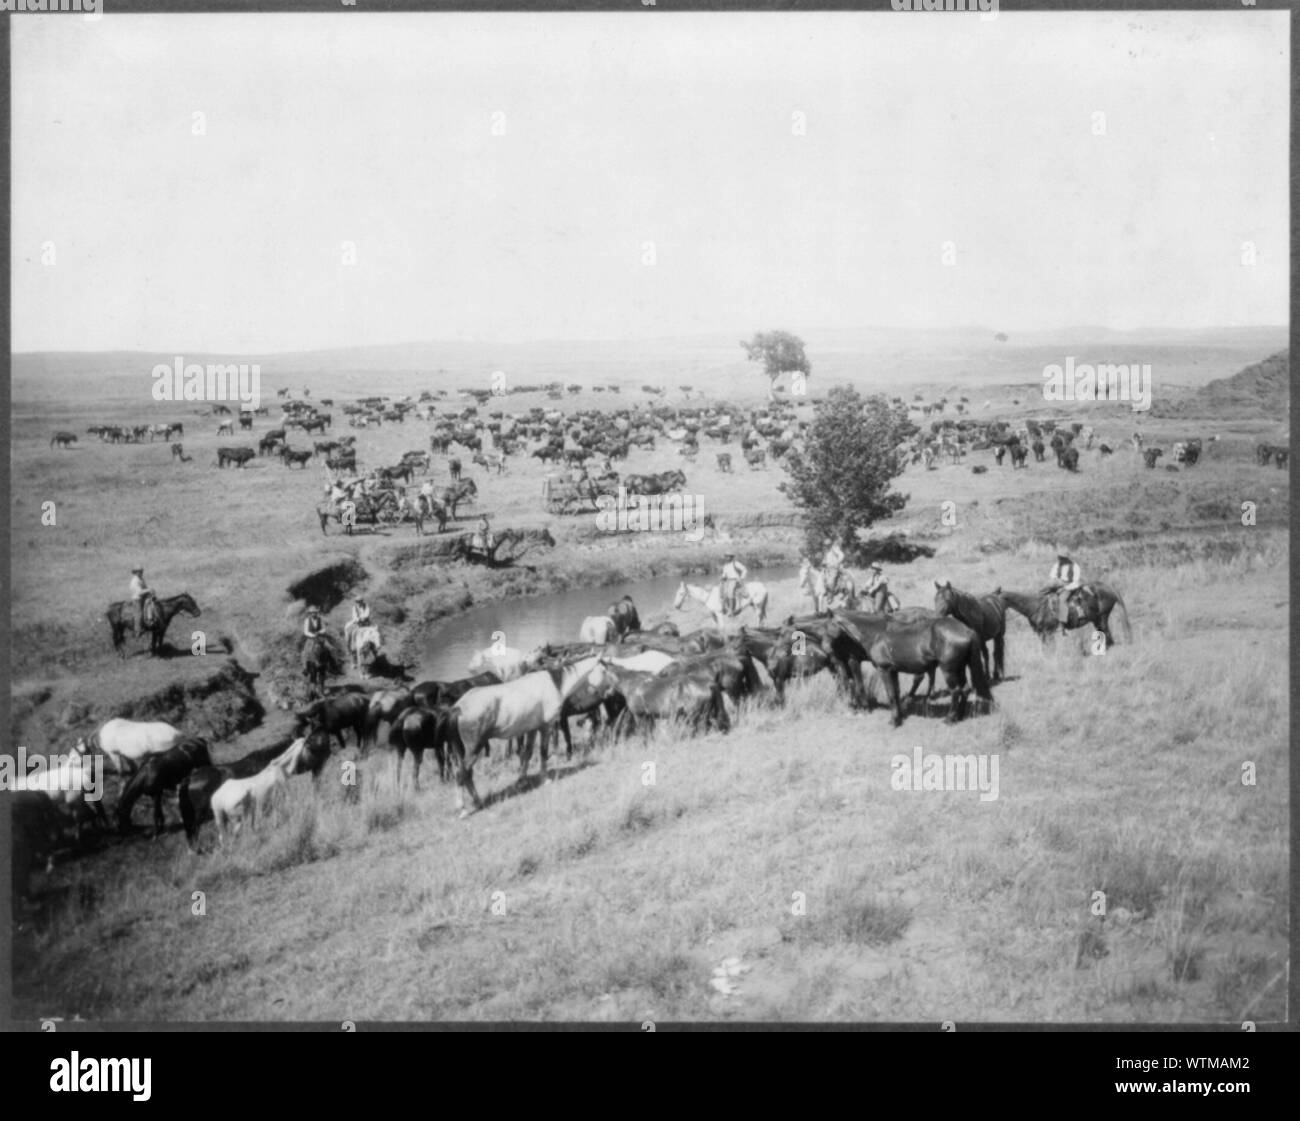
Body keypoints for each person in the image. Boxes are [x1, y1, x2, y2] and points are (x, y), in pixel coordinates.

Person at [1049, 545, 1083, 626]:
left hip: (1069, 586)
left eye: (1062, 558)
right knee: (1043, 594)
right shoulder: (1057, 565)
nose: (1060, 559)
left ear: (1067, 559)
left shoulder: (1075, 567)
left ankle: (1062, 623)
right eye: (1060, 557)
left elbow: (1076, 582)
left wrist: (1064, 588)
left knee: (1061, 600)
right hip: (1057, 583)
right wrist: (1055, 581)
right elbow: (1052, 574)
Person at [129, 566, 154, 635]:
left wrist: (150, 589)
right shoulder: (134, 581)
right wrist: (148, 590)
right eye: (139, 571)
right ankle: (137, 631)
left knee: (151, 604)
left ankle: (149, 620)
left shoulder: (141, 579)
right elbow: (139, 592)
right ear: (136, 572)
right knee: (138, 614)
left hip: (142, 596)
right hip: (137, 598)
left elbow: (145, 587)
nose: (141, 573)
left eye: (141, 571)